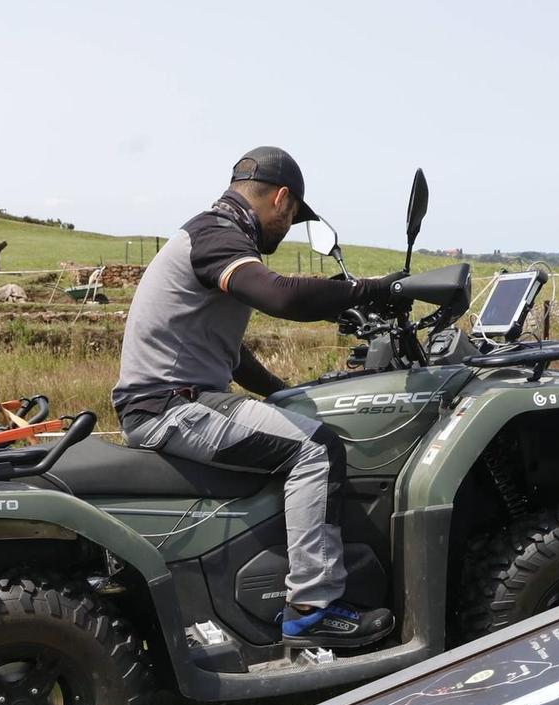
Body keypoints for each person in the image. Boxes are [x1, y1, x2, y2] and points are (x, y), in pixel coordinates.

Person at [111, 147, 404, 647]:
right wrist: (368, 290)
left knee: (295, 425)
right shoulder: (215, 234)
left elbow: (229, 353)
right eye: (290, 219)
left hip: (176, 399)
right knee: (317, 450)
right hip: (171, 406)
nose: (287, 229)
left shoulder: (212, 234)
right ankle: (312, 610)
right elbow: (282, 295)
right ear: (282, 200)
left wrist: (284, 392)